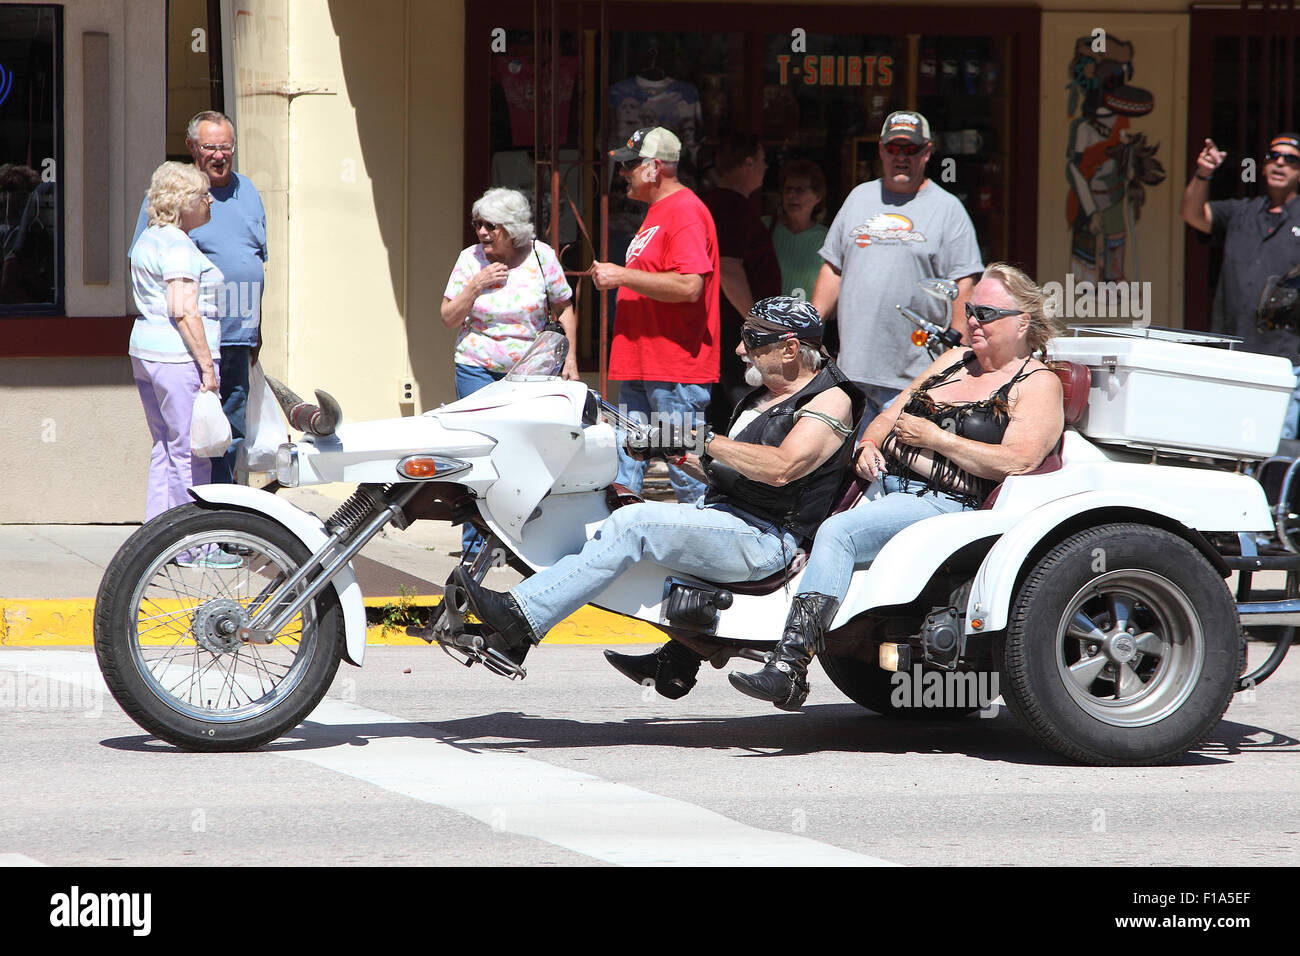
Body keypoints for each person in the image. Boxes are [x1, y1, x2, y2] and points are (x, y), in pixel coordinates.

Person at [451, 297, 864, 683]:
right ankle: (677, 659)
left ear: (791, 349)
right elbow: (737, 472)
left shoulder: (830, 400)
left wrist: (698, 438)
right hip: (731, 521)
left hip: (766, 540)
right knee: (618, 510)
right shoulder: (764, 397)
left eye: (753, 340)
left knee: (636, 525)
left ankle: (519, 618)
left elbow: (781, 468)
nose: (740, 350)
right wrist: (672, 450)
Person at [731, 264, 1065, 710]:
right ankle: (687, 649)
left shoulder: (1037, 383)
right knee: (778, 505)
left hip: (951, 506)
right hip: (888, 487)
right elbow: (891, 413)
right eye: (969, 310)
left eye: (985, 313)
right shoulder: (953, 361)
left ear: (1023, 321)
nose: (972, 321)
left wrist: (937, 438)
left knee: (838, 533)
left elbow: (1017, 460)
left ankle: (790, 666)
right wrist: (869, 441)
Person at [813, 110, 984, 422]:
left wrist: (958, 352)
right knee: (850, 466)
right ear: (880, 149)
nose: (901, 157)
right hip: (852, 373)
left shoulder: (948, 209)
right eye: (893, 149)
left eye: (911, 149)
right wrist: (812, 327)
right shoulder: (858, 197)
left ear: (927, 151)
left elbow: (964, 282)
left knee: (899, 468)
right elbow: (833, 268)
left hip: (915, 376)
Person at [442, 186, 580, 556]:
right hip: (477, 369)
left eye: (492, 225)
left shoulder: (541, 256)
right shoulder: (470, 260)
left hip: (530, 376)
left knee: (526, 456)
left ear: (514, 228)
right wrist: (476, 285)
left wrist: (570, 360)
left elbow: (565, 308)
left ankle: (522, 540)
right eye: (478, 224)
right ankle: (474, 544)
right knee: (476, 455)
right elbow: (448, 317)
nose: (483, 232)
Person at [132, 110, 268, 485]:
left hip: (239, 337)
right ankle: (206, 529)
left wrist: (258, 328)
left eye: (227, 147)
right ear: (192, 147)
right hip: (193, 345)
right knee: (196, 443)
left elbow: (256, 263)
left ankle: (225, 522)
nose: (220, 156)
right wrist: (205, 364)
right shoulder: (176, 209)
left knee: (228, 434)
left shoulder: (250, 192)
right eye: (211, 147)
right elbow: (160, 284)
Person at [590, 126, 721, 503]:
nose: (623, 173)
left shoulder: (684, 211)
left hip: (674, 369)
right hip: (645, 367)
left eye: (630, 165)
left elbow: (690, 285)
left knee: (685, 473)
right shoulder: (661, 212)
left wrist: (621, 275)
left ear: (655, 168)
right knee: (624, 469)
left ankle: (701, 553)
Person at [129, 162, 239, 568]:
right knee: (191, 452)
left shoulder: (149, 240)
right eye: (202, 195)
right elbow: (183, 309)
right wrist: (208, 369)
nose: (209, 201)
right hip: (177, 357)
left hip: (147, 353)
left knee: (165, 448)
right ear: (181, 202)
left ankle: (157, 539)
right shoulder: (176, 245)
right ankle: (193, 546)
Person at [1181, 132, 1300, 437]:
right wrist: (1203, 173)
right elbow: (1192, 214)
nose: (1280, 163)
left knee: (1274, 448)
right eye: (1274, 156)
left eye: (1291, 159)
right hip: (1233, 353)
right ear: (1262, 166)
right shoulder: (1240, 212)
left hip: (1286, 360)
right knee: (1225, 441)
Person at [702, 133, 782, 428]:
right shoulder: (730, 206)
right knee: (750, 410)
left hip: (730, 327)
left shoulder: (725, 202)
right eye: (763, 161)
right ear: (748, 162)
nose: (766, 168)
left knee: (725, 415)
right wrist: (756, 323)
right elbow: (728, 268)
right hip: (734, 329)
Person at [765, 158, 829, 302]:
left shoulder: (827, 239)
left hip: (806, 322)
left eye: (800, 190)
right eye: (788, 189)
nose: (791, 195)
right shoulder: (765, 228)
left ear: (818, 196)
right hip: (765, 322)